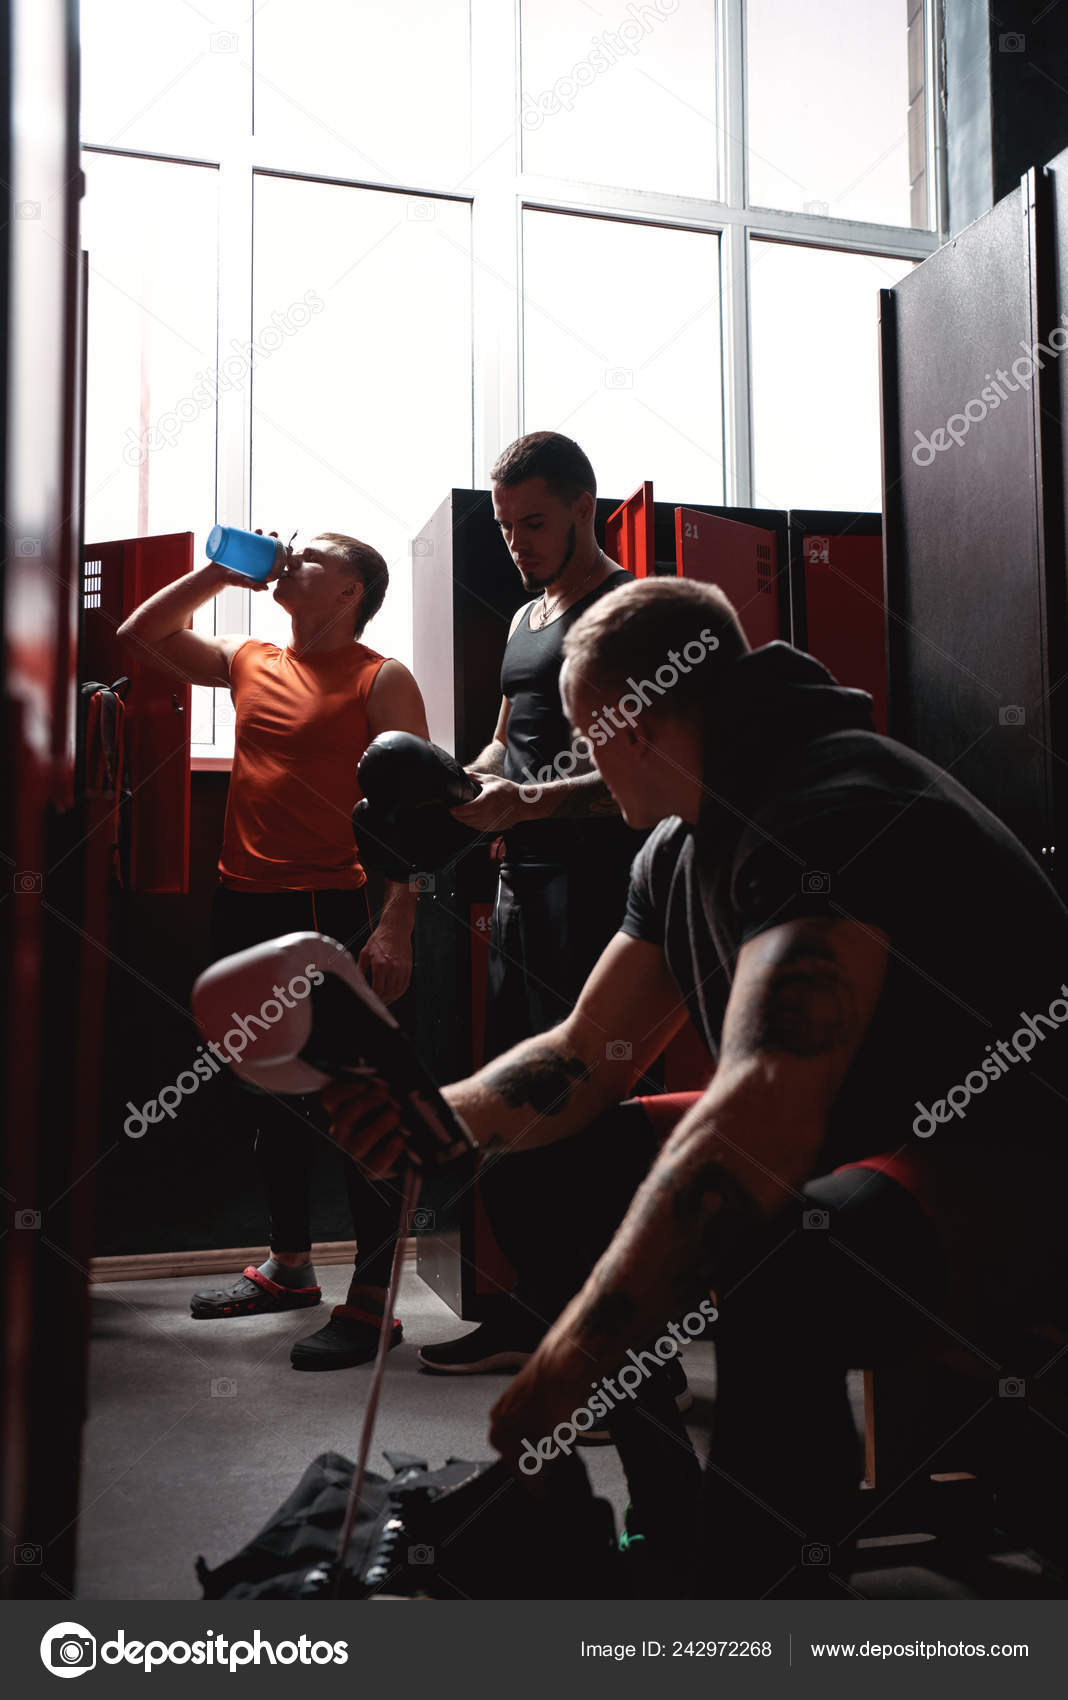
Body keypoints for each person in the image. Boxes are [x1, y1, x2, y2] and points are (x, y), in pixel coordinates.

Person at [323, 575, 1068, 1593]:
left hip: (1015, 1163)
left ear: (630, 724)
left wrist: (573, 1354)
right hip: (859, 1140)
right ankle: (677, 1519)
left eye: (588, 737)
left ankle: (763, 1589)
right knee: (540, 1174)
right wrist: (437, 1120)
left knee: (781, 1251)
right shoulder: (679, 844)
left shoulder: (829, 804)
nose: (585, 764)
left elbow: (760, 1114)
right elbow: (585, 1051)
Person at [118, 528, 430, 1370]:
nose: (291, 557)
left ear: (352, 593)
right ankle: (290, 1267)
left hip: (332, 908)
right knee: (267, 1093)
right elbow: (140, 634)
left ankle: (374, 1301)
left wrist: (397, 922)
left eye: (314, 556)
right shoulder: (249, 657)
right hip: (243, 906)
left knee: (356, 1102)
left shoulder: (380, 677)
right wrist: (220, 572)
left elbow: (415, 813)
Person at [418, 430, 647, 1376]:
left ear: (584, 507)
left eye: (536, 523)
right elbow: (504, 744)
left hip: (601, 891)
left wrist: (533, 801)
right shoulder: (523, 617)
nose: (518, 542)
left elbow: (646, 771)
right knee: (519, 1104)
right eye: (508, 526)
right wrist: (457, 786)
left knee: (585, 1112)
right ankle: (534, 1312)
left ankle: (630, 1353)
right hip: (522, 883)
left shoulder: (628, 611)